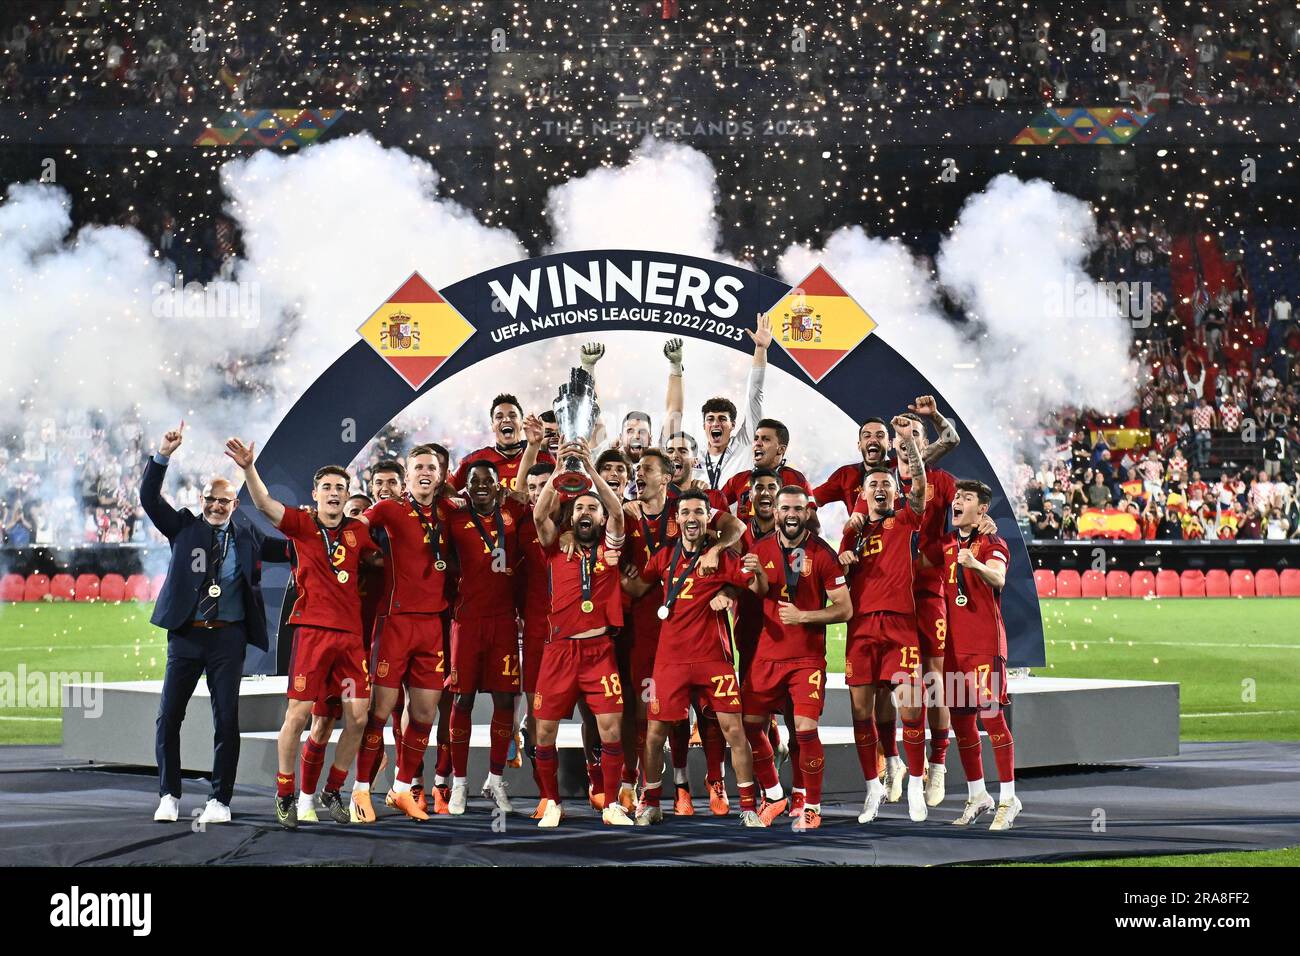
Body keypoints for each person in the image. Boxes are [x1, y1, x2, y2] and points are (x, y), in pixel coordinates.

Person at [141, 422, 290, 825]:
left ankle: (220, 800)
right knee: (169, 716)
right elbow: (149, 500)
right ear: (202, 500)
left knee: (227, 720)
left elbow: (292, 547)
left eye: (224, 501)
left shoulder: (248, 537)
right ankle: (169, 794)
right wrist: (163, 455)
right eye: (210, 499)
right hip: (187, 636)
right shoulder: (184, 528)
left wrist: (322, 526)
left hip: (228, 640)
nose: (216, 506)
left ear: (234, 505)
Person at [225, 437, 378, 829]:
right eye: (326, 487)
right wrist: (248, 468)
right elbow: (262, 504)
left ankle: (333, 789)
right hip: (312, 633)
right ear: (315, 494)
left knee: (358, 717)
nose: (332, 493)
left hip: (351, 638)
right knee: (298, 715)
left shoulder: (359, 533)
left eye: (339, 488)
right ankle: (285, 791)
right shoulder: (302, 524)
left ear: (347, 497)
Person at [621, 490, 765, 827]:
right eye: (685, 512)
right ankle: (651, 801)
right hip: (670, 662)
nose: (691, 519)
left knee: (734, 730)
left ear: (706, 519)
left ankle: (747, 806)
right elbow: (640, 588)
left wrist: (742, 583)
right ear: (677, 520)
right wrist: (619, 571)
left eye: (699, 512)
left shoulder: (722, 558)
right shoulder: (662, 558)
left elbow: (755, 588)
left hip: (714, 659)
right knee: (655, 733)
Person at [529, 439, 633, 827]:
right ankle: (551, 801)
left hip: (599, 652)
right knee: (545, 731)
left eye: (593, 508)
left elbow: (619, 516)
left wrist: (590, 471)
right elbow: (541, 517)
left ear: (601, 518)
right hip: (558, 652)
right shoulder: (555, 545)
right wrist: (559, 468)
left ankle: (610, 805)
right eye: (580, 508)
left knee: (610, 728)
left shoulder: (611, 546)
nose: (587, 512)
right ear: (571, 518)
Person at [739, 486, 851, 831]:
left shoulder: (822, 554)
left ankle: (811, 805)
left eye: (798, 509)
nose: (790, 514)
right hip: (767, 654)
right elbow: (759, 593)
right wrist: (757, 573)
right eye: (785, 507)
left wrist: (804, 617)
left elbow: (845, 609)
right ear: (775, 512)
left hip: (805, 658)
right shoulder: (761, 549)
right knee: (750, 724)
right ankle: (774, 794)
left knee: (804, 729)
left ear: (807, 513)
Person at [929, 480, 1021, 830]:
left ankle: (1009, 799)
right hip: (953, 648)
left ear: (982, 509)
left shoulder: (992, 542)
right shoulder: (948, 543)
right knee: (962, 722)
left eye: (966, 498)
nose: (957, 502)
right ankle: (978, 795)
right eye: (956, 497)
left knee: (993, 719)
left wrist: (975, 565)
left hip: (984, 645)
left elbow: (998, 578)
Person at [690, 313, 772, 489]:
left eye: (722, 419)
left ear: (733, 425)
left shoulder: (744, 443)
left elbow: (754, 395)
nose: (715, 423)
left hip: (738, 517)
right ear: (704, 425)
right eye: (710, 419)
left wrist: (761, 349)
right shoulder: (694, 462)